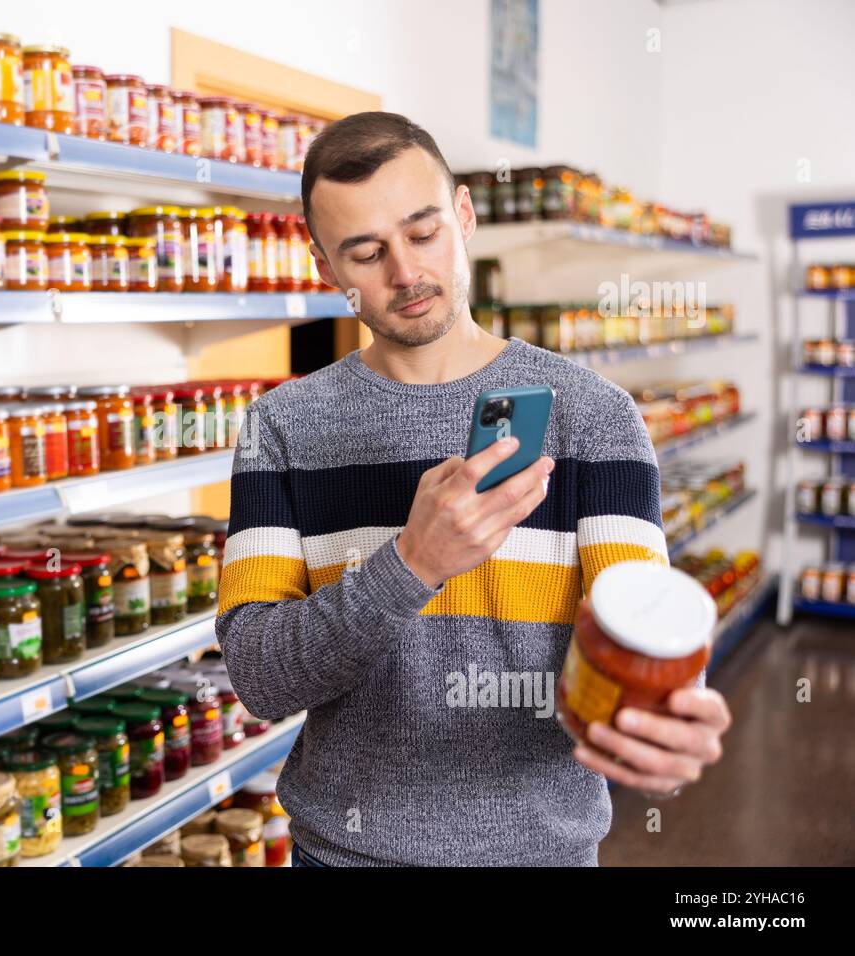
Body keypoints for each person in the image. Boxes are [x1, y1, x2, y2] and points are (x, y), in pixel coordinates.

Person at [215, 112, 732, 866]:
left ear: (464, 214)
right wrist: (412, 564)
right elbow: (261, 678)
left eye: (423, 233)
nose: (404, 273)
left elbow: (636, 639)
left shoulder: (594, 418)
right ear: (327, 267)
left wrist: (662, 726)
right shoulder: (280, 428)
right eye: (365, 252)